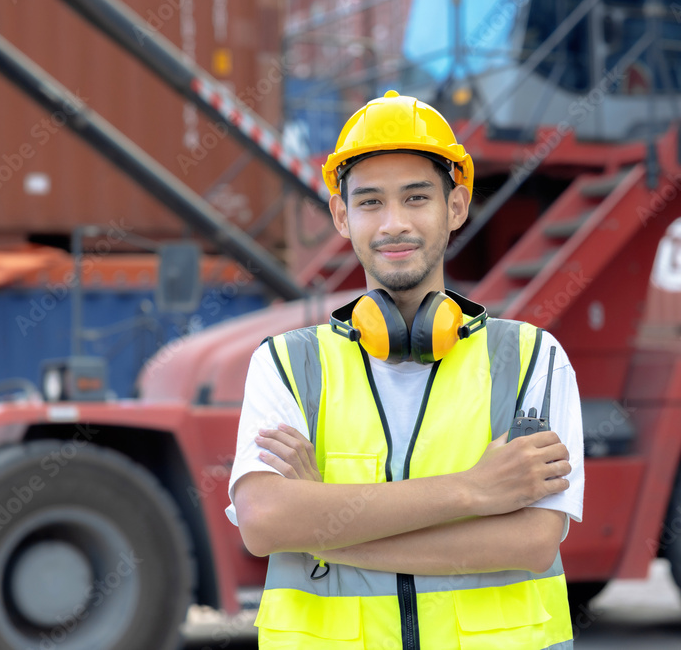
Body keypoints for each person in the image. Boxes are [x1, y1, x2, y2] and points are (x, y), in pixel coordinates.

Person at [226, 90, 584, 649]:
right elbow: (266, 521)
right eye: (370, 202)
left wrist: (324, 531)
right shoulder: (286, 364)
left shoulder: (533, 360)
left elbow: (532, 541)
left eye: (416, 198)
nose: (394, 223)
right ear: (342, 216)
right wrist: (474, 490)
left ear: (456, 207)